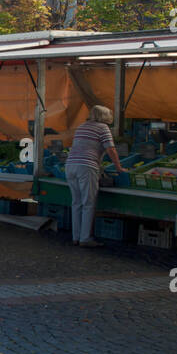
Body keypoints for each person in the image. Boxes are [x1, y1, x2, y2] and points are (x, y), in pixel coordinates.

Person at [66, 105, 126, 248]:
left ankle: (76, 237)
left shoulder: (81, 126)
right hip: (86, 167)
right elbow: (110, 149)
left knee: (76, 202)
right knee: (88, 203)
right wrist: (119, 168)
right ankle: (85, 238)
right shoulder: (103, 128)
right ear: (105, 117)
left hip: (70, 165)